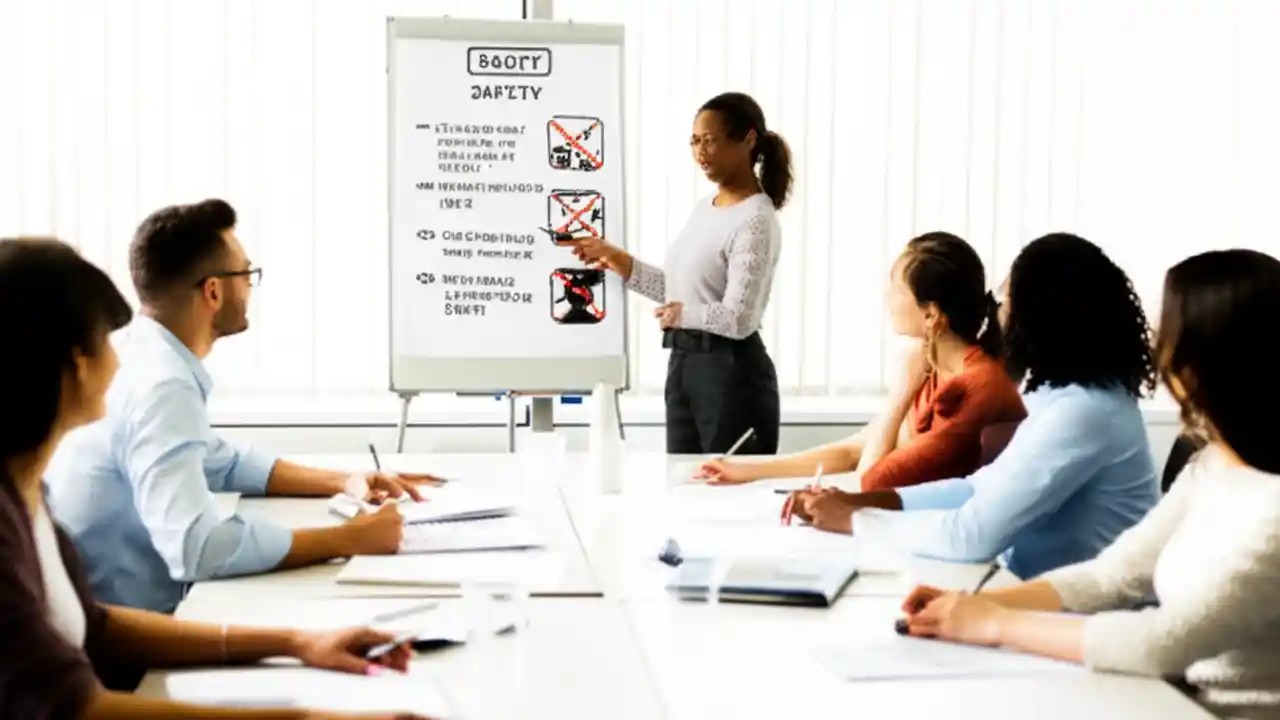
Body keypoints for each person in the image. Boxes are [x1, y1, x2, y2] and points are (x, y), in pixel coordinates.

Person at [0, 238, 426, 719]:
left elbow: (94, 627)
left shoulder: (28, 491)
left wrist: (298, 642)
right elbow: (78, 708)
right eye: (104, 342)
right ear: (74, 365)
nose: (116, 362)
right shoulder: (7, 519)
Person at [898, 249, 1280, 720]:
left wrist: (995, 622)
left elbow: (1161, 643)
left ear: (1204, 360)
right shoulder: (1214, 466)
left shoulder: (1273, 509)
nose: (1158, 346)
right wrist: (973, 603)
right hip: (1166, 701)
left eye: (1170, 332)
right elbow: (1110, 577)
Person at [46, 200, 438, 613]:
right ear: (214, 291)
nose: (250, 287)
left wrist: (343, 480)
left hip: (113, 610)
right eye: (247, 274)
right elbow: (199, 548)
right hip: (125, 631)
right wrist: (351, 539)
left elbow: (219, 461)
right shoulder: (163, 386)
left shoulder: (140, 354)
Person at [793, 234, 1159, 579]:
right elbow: (977, 489)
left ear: (1041, 316)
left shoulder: (1084, 411)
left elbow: (971, 536)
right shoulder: (1054, 395)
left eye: (1006, 300)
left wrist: (855, 519)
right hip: (1033, 592)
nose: (999, 314)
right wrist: (861, 503)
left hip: (1075, 612)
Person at [698, 232, 1026, 491]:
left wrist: (900, 393)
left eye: (896, 290)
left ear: (931, 315)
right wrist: (745, 470)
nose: (887, 298)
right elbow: (853, 451)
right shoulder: (933, 367)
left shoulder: (977, 385)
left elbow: (871, 481)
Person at [560, 92, 792, 455]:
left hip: (731, 374)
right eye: (694, 141)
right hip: (685, 365)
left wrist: (682, 315)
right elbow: (683, 290)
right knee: (682, 481)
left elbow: (739, 319)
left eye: (710, 140)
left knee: (725, 486)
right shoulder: (706, 208)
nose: (701, 152)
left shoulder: (756, 220)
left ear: (748, 140)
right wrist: (621, 261)